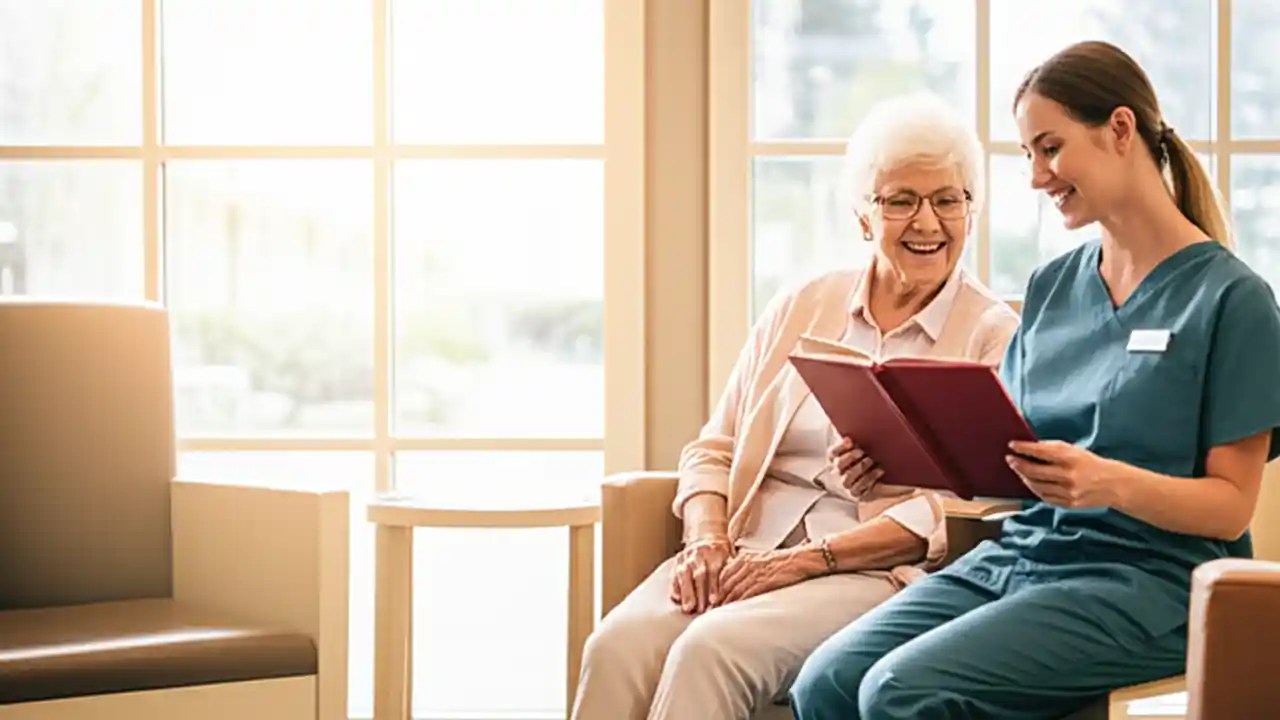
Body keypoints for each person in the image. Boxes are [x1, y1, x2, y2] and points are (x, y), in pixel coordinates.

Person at [788, 40, 1280, 720]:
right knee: (827, 683)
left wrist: (1106, 482)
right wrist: (905, 465)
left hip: (1151, 584)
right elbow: (1011, 458)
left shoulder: (1233, 300)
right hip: (1026, 558)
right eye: (1027, 155)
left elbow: (1229, 506)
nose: (1037, 176)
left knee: (901, 691)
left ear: (1119, 130)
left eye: (1050, 148)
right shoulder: (1054, 286)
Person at [570, 93, 1019, 720]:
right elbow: (713, 446)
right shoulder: (806, 301)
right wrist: (706, 540)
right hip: (744, 547)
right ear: (864, 216)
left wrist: (804, 562)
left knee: (710, 650)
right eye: (900, 201)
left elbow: (968, 503)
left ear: (971, 211)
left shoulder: (992, 334)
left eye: (948, 200)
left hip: (865, 573)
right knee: (616, 646)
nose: (928, 223)